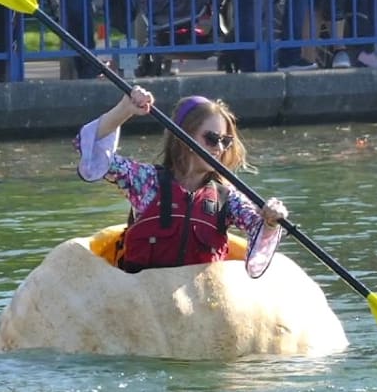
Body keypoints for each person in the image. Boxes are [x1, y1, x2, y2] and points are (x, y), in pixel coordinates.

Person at [75, 88, 289, 277]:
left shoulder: (228, 198)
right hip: (142, 307)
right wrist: (125, 109)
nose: (219, 148)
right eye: (212, 138)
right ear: (183, 137)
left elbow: (258, 231)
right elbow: (92, 153)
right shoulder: (147, 182)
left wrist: (270, 221)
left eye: (225, 141)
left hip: (201, 309)